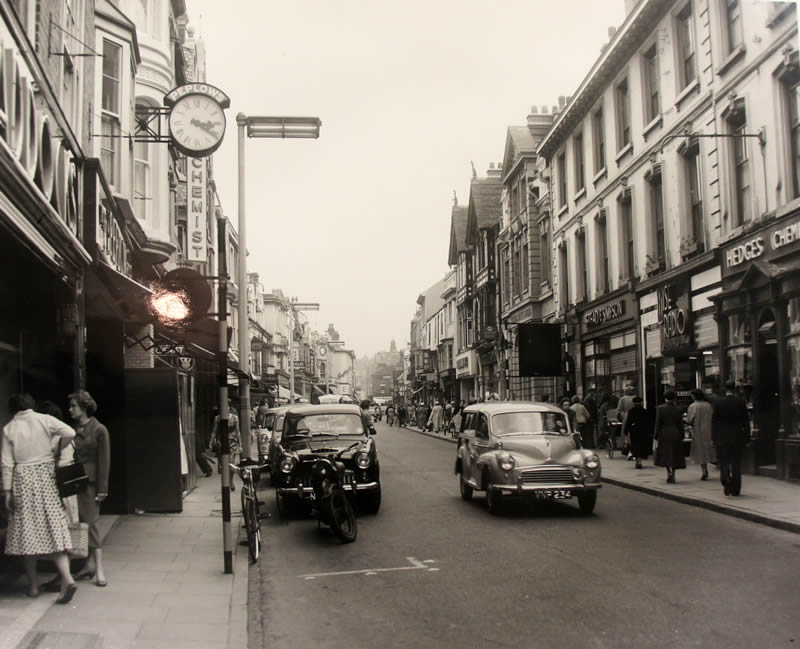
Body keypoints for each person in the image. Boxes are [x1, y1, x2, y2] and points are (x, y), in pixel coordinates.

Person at [2, 393, 78, 602]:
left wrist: (7, 492)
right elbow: (70, 432)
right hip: (46, 476)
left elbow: (7, 463)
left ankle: (34, 587)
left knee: (29, 532)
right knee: (54, 528)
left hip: (23, 481)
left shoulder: (9, 429)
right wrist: (55, 447)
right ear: (32, 405)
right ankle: (68, 579)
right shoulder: (44, 420)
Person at [67, 390, 110, 588]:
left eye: (73, 406)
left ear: (84, 407)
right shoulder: (71, 430)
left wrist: (103, 490)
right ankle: (87, 565)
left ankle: (99, 569)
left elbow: (104, 461)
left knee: (91, 524)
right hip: (73, 482)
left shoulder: (99, 430)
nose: (70, 409)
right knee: (78, 524)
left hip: (90, 484)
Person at [711, 380, 750, 496]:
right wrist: (747, 438)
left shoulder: (718, 403)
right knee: (736, 463)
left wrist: (714, 438)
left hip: (722, 437)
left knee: (724, 462)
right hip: (737, 437)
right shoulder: (741, 402)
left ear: (725, 388)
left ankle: (726, 481)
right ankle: (736, 489)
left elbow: (714, 422)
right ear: (735, 389)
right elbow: (745, 422)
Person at [653, 390, 686, 483]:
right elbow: (680, 424)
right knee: (675, 454)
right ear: (674, 398)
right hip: (675, 432)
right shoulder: (678, 409)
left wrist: (655, 435)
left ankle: (668, 472)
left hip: (664, 433)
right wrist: (682, 434)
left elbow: (658, 423)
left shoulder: (660, 408)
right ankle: (674, 473)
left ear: (665, 398)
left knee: (665, 453)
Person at [212, 400, 241, 491]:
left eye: (226, 406)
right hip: (221, 443)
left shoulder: (235, 418)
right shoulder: (217, 418)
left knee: (231, 464)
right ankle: (225, 484)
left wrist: (240, 444)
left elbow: (237, 432)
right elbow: (214, 431)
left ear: (229, 407)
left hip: (232, 442)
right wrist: (211, 441)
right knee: (222, 465)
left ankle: (231, 481)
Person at [687, 389, 715, 481]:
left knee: (700, 450)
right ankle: (707, 467)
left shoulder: (693, 406)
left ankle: (703, 469)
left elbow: (690, 420)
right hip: (709, 430)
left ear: (694, 396)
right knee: (708, 449)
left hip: (698, 430)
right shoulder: (708, 405)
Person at [622, 396, 652, 469]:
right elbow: (648, 422)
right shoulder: (644, 411)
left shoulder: (631, 411)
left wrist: (626, 431)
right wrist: (649, 431)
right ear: (641, 403)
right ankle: (639, 461)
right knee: (641, 445)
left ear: (634, 403)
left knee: (635, 445)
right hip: (643, 430)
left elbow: (629, 422)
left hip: (634, 430)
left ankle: (637, 461)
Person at [617, 384, 636, 459]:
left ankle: (628, 450)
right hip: (635, 416)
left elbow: (619, 409)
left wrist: (619, 416)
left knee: (627, 434)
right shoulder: (635, 398)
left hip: (627, 416)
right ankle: (634, 451)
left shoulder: (622, 399)